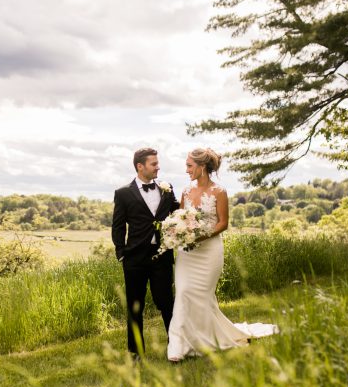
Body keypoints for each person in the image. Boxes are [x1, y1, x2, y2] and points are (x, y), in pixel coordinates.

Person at [167, 148, 278, 361]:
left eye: (190, 165)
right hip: (187, 253)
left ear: (201, 167)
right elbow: (179, 217)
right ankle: (178, 346)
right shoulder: (186, 191)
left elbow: (223, 223)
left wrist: (201, 236)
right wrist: (178, 232)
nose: (186, 169)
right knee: (183, 293)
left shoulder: (219, 191)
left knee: (203, 296)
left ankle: (209, 338)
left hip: (209, 252)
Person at [112, 148, 180, 359]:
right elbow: (118, 226)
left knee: (167, 303)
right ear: (140, 166)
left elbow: (178, 213)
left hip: (162, 255)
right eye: (154, 164)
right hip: (135, 258)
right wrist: (121, 252)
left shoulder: (167, 189)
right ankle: (136, 352)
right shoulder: (123, 193)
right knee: (135, 306)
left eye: (158, 163)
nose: (158, 167)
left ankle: (175, 346)